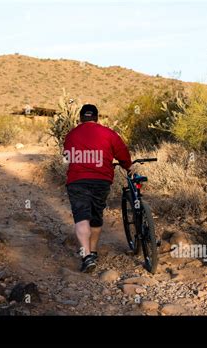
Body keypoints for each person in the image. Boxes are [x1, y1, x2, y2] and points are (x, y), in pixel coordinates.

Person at [63, 104, 134, 273]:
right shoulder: (108, 133)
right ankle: (93, 252)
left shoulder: (71, 134)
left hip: (77, 181)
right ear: (96, 118)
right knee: (96, 216)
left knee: (81, 217)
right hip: (101, 181)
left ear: (80, 118)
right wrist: (127, 166)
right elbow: (122, 153)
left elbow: (66, 156)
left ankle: (87, 256)